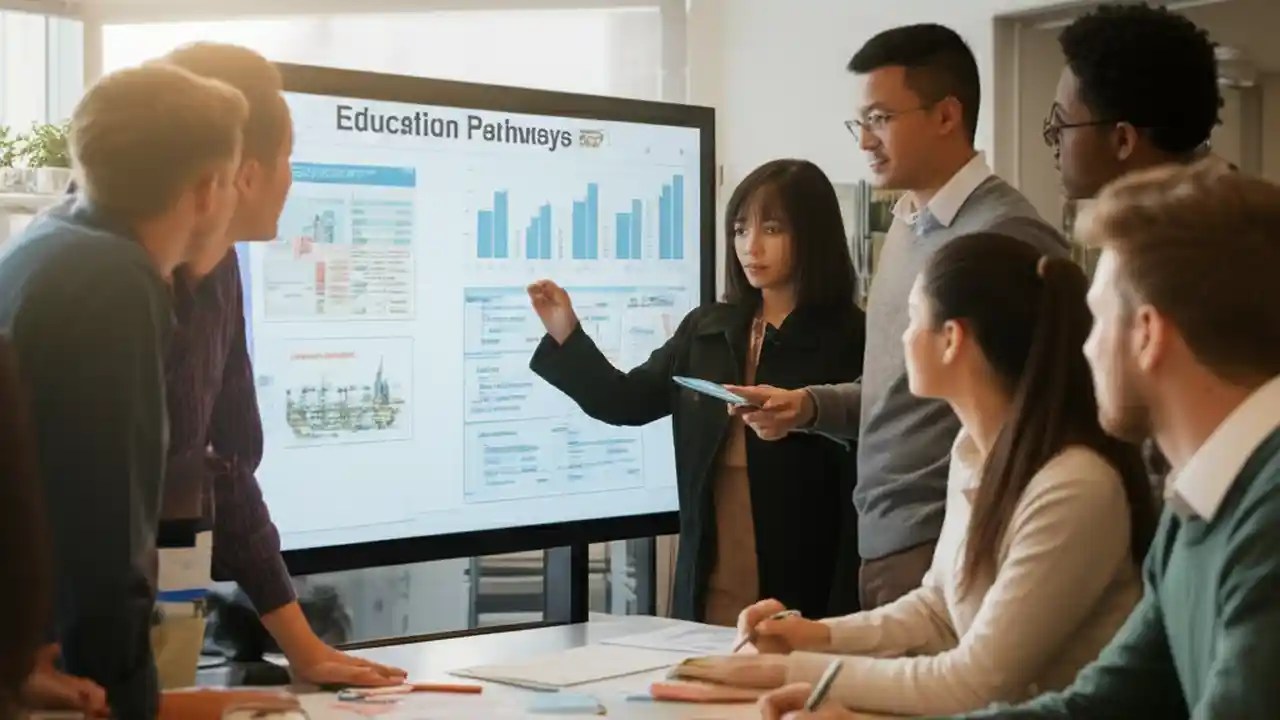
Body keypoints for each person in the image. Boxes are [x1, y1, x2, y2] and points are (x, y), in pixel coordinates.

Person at [672, 233, 1155, 717]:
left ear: (952, 339)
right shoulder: (974, 453)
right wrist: (813, 635)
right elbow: (938, 609)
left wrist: (792, 671)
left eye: (913, 318)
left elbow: (972, 682)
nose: (901, 339)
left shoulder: (1072, 486)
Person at [729, 24, 1066, 611]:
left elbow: (1051, 400)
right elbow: (900, 395)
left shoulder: (1003, 232)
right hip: (885, 542)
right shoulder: (910, 227)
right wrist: (808, 407)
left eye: (881, 118)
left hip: (948, 542)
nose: (864, 140)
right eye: (860, 121)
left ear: (945, 116)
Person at [936, 163, 1280, 718]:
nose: (1086, 348)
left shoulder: (1269, 516)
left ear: (1147, 335)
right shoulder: (1198, 503)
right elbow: (1100, 705)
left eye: (1098, 321)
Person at [154, 41, 405, 688]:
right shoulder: (104, 282)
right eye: (287, 158)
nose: (293, 178)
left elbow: (228, 463)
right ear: (242, 173)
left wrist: (304, 646)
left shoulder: (218, 268)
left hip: (167, 582)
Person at [0, 64, 246, 718]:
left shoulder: (53, 241)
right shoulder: (117, 284)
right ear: (205, 191)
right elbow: (105, 532)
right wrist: (132, 700)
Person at [528, 159, 865, 623]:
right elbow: (624, 400)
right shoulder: (706, 330)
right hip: (707, 588)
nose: (752, 246)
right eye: (741, 229)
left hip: (807, 591)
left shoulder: (852, 338)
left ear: (813, 234)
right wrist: (568, 334)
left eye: (772, 228)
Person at [1046, 3, 1222, 201]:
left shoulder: (1147, 231)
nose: (1052, 137)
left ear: (1123, 140)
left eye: (1060, 122)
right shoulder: (1231, 220)